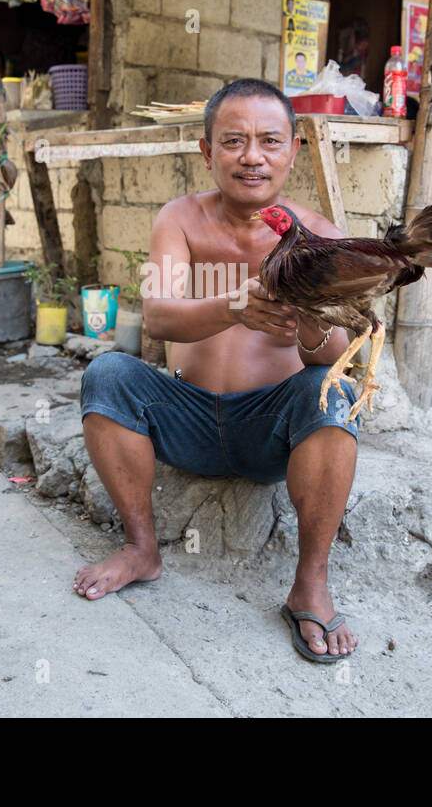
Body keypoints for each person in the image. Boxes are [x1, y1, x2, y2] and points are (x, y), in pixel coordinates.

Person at [74, 78, 361, 662]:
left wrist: (310, 327)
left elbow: (336, 356)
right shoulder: (179, 218)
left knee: (332, 394)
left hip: (270, 431)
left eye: (268, 141)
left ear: (293, 151)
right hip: (187, 421)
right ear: (207, 151)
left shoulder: (322, 237)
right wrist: (232, 305)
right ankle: (141, 548)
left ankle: (309, 582)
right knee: (108, 376)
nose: (251, 156)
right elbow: (157, 316)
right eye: (233, 141)